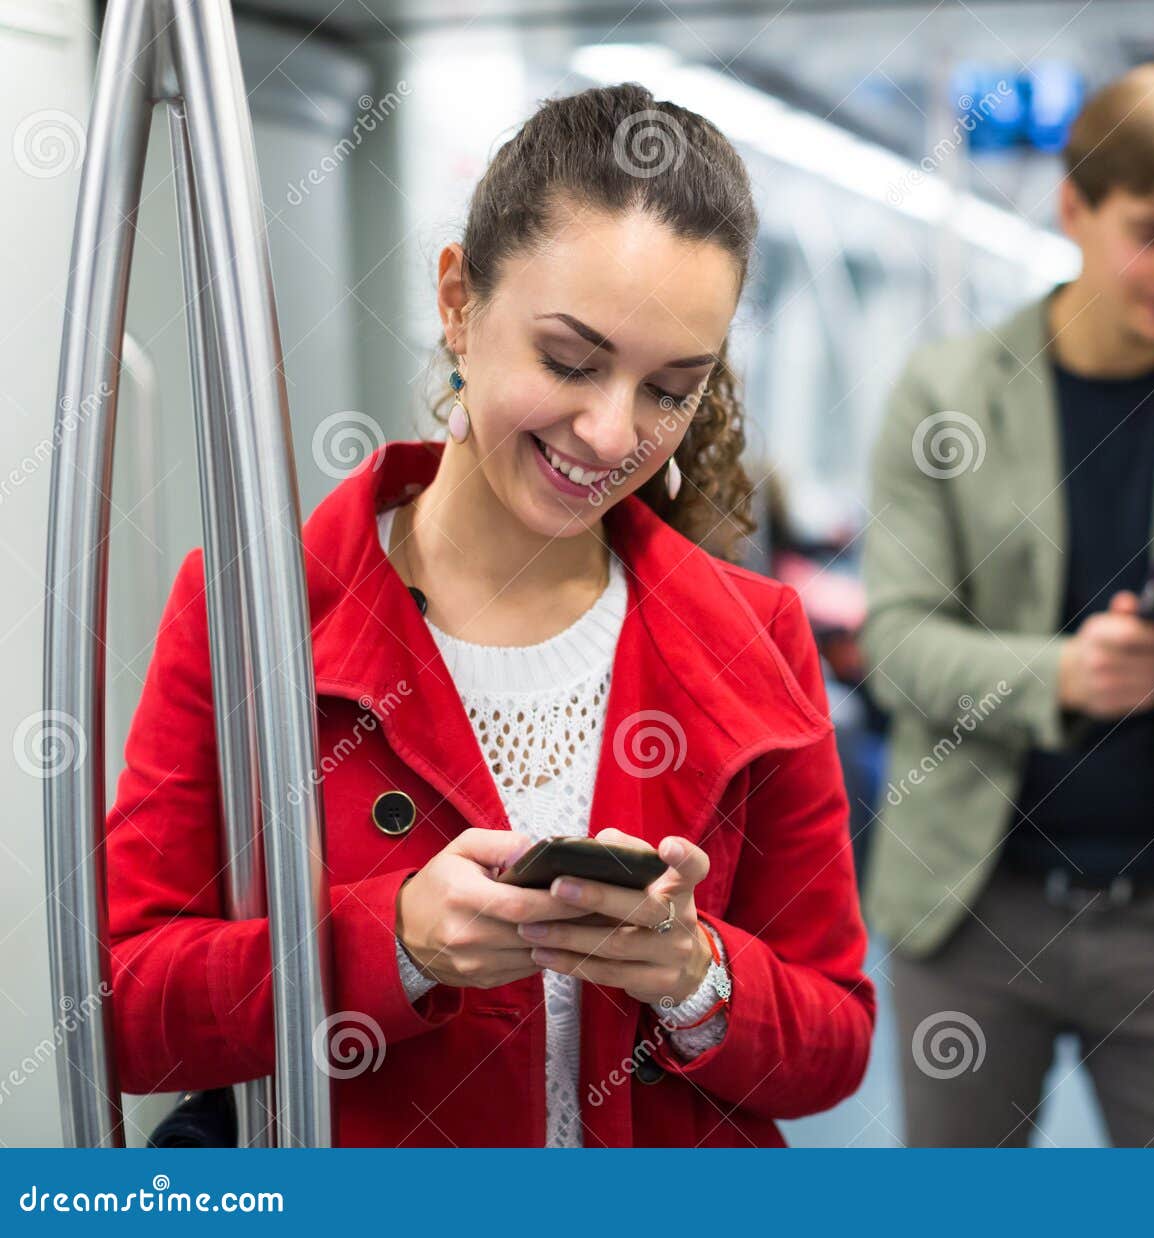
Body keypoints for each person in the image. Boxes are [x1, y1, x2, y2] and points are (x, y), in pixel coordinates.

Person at [105, 83, 874, 1148]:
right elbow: (120, 1013)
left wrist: (699, 976)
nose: (611, 434)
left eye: (670, 389)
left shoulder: (754, 633)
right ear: (458, 302)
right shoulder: (252, 613)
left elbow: (834, 1040)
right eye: (570, 361)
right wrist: (393, 944)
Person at [861, 63, 1154, 1147]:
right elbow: (894, 644)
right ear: (1073, 205)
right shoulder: (945, 393)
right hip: (972, 909)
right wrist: (1060, 676)